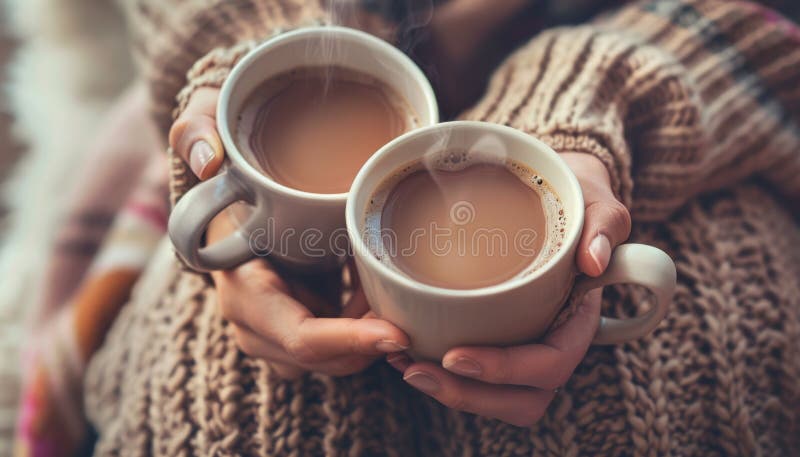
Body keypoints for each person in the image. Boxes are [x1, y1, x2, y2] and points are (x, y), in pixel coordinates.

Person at [62, 0, 800, 455]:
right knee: (227, 422)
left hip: (657, 103)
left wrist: (589, 94)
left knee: (675, 402)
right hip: (319, 48)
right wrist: (272, 52)